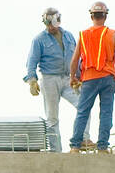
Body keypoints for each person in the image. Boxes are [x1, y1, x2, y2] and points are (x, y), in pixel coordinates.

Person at [67, 2, 115, 153]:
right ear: (105, 16)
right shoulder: (112, 34)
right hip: (107, 78)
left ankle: (75, 146)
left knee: (83, 112)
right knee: (106, 113)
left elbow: (74, 60)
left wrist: (72, 77)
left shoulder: (83, 35)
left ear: (92, 16)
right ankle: (103, 147)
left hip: (89, 79)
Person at [24, 8, 79, 152]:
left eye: (52, 23)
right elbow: (31, 61)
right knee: (52, 118)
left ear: (58, 21)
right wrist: (32, 80)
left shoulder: (69, 36)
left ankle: (81, 140)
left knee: (83, 106)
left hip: (68, 78)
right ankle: (56, 151)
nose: (50, 27)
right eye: (47, 24)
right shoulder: (39, 40)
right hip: (49, 79)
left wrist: (79, 77)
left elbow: (76, 59)